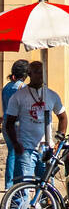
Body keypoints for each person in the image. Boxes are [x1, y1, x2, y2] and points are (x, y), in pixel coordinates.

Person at [4, 62, 67, 209]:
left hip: (46, 148)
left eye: (42, 72)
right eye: (36, 72)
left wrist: (59, 139)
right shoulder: (19, 96)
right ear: (29, 74)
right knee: (22, 185)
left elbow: (63, 116)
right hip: (26, 148)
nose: (40, 75)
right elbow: (9, 122)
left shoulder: (51, 95)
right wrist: (16, 143)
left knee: (47, 186)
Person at [2, 60, 30, 189]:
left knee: (11, 153)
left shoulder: (6, 87)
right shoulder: (23, 88)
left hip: (6, 123)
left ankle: (9, 183)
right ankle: (14, 184)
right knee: (17, 154)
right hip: (18, 125)